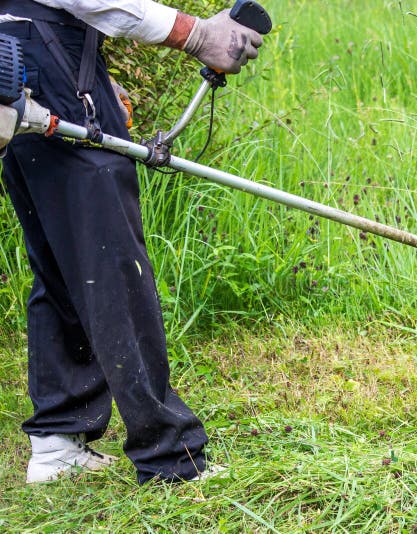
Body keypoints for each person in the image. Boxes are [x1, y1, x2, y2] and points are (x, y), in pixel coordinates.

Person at [0, 0, 262, 484]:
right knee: (113, 268)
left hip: (22, 57)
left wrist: (88, 69)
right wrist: (196, 34)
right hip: (43, 59)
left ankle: (58, 441)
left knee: (61, 264)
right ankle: (170, 458)